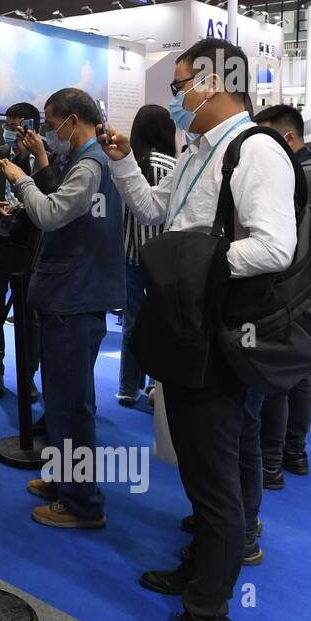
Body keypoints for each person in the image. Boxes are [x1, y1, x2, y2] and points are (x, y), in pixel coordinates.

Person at [99, 38, 297, 621]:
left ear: (212, 82)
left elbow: (274, 248)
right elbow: (159, 214)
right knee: (208, 465)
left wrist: (196, 269)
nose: (175, 99)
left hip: (220, 337)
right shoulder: (197, 152)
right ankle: (202, 568)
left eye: (180, 84)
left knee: (214, 479)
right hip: (190, 332)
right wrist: (127, 163)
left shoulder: (255, 150)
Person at [0, 87, 124, 530]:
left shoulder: (90, 164)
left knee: (71, 405)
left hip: (75, 296)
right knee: (64, 401)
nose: (49, 134)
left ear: (73, 120)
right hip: (71, 294)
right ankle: (65, 479)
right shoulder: (88, 161)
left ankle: (81, 502)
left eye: (52, 125)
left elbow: (51, 214)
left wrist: (22, 178)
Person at [252, 104, 311, 489]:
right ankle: (290, 452)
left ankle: (277, 459)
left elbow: (303, 241)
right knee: (295, 377)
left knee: (281, 379)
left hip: (298, 291)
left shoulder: (307, 176)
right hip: (305, 291)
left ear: (288, 138)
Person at [0, 104, 58, 399]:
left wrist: (37, 160)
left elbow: (52, 196)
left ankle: (28, 377)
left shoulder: (49, 158)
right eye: (7, 124)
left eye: (17, 125)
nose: (10, 131)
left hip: (31, 251)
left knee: (30, 320)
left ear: (34, 128)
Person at [117, 105, 176, 408]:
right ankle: (156, 385)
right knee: (162, 324)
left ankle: (128, 387)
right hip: (164, 261)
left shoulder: (126, 165)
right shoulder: (173, 165)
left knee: (131, 323)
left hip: (128, 256)